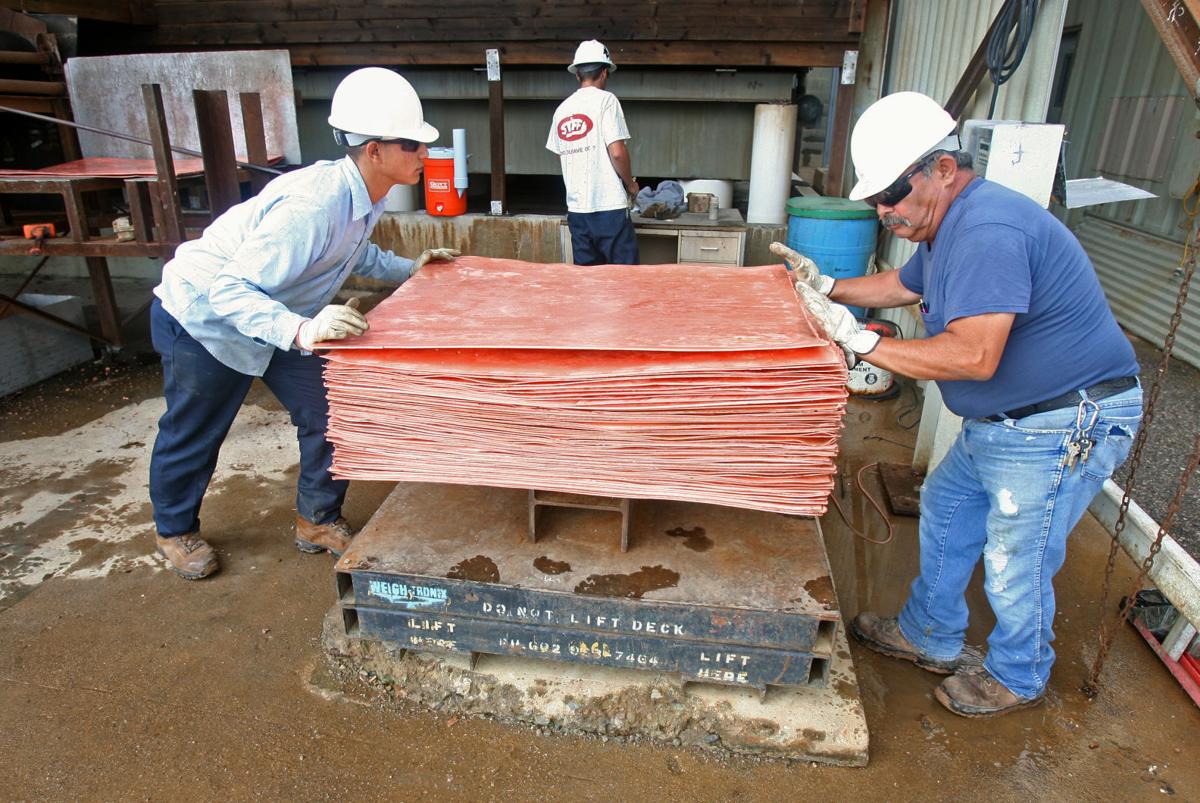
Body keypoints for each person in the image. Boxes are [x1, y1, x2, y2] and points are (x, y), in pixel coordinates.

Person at [777, 90, 1143, 717]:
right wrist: (828, 286)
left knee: (1015, 556)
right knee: (947, 509)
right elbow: (902, 283)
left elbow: (975, 356)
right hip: (1004, 421)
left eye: (892, 194)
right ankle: (930, 635)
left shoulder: (988, 232)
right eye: (875, 200)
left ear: (942, 169)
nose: (884, 211)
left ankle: (1018, 675)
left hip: (1058, 421)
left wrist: (859, 340)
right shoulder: (947, 225)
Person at [149, 67, 459, 580]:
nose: (424, 153)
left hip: (275, 313)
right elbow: (229, 290)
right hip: (205, 317)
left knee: (332, 410)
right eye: (412, 144)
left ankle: (316, 518)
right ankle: (174, 529)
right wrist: (301, 331)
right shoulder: (313, 205)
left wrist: (410, 268)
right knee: (196, 430)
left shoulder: (367, 192)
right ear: (374, 150)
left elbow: (350, 252)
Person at [546, 39, 640, 266]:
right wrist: (631, 185)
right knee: (625, 279)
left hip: (578, 212)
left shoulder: (562, 110)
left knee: (588, 281)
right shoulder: (607, 101)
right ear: (605, 73)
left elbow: (562, 155)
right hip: (610, 208)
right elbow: (617, 153)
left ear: (577, 75)